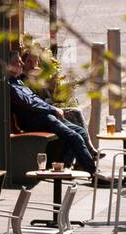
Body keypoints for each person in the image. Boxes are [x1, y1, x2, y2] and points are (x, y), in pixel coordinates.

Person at [7, 44, 97, 175]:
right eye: (18, 61)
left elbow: (37, 99)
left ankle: (64, 167)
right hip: (35, 120)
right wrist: (52, 110)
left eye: (21, 60)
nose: (21, 63)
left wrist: (52, 106)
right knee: (75, 137)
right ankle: (94, 174)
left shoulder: (19, 82)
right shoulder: (12, 85)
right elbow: (30, 103)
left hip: (45, 116)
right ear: (10, 66)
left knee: (80, 131)